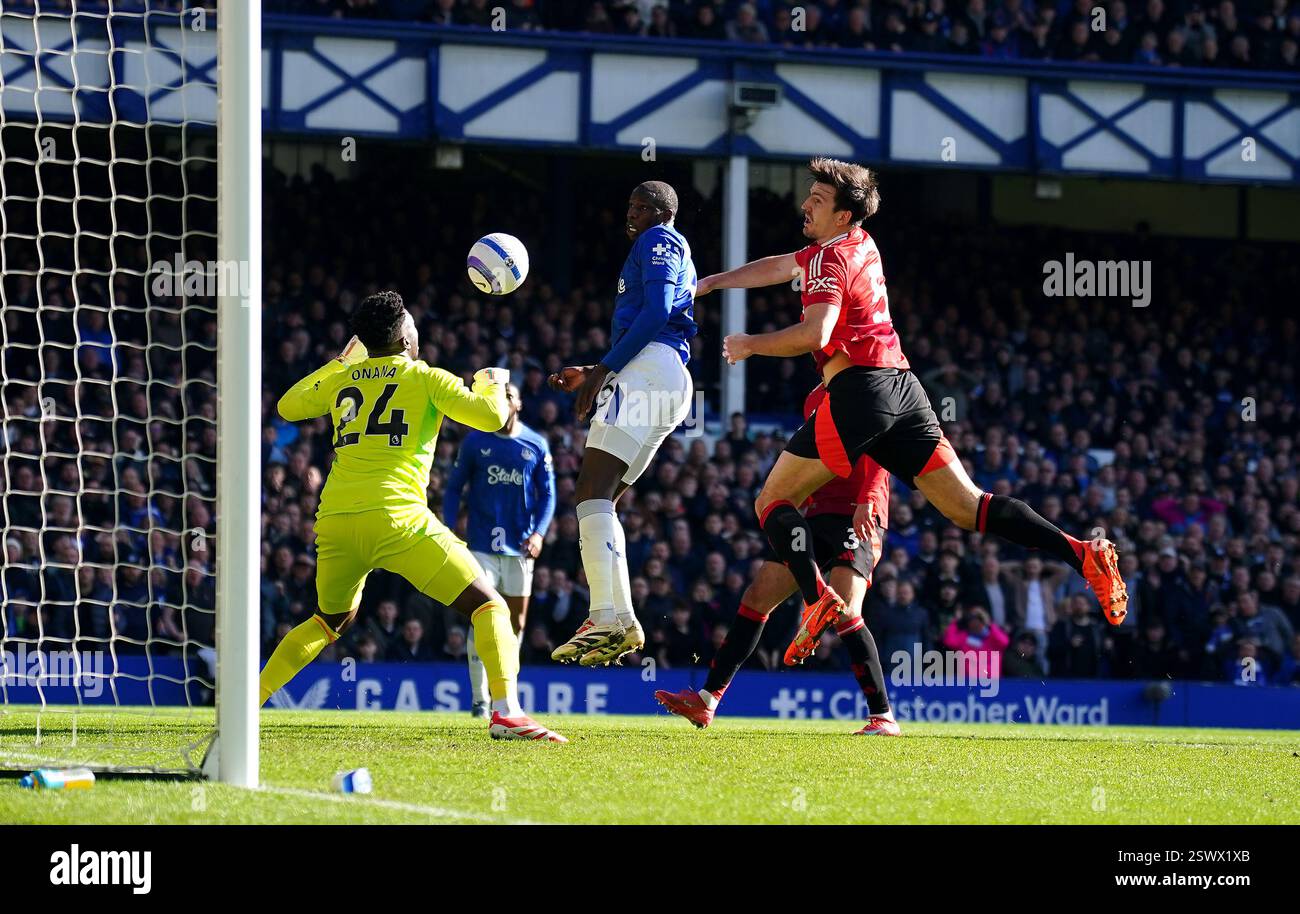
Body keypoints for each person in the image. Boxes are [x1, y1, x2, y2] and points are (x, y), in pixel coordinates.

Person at [695, 157, 1128, 666]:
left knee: (770, 501)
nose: (805, 204)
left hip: (859, 392)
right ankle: (1082, 551)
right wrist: (713, 282)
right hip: (904, 388)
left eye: (817, 199)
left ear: (842, 215)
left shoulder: (827, 261)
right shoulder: (859, 243)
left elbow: (815, 333)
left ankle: (816, 602)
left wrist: (749, 344)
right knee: (969, 507)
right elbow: (782, 265)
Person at [258, 291, 566, 742]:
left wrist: (341, 362)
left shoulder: (345, 380)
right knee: (488, 605)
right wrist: (492, 380)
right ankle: (506, 712)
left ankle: (247, 702)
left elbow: (288, 405)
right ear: (405, 336)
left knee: (328, 621)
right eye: (413, 324)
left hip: (336, 521)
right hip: (398, 519)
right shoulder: (425, 378)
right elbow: (491, 415)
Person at [655, 385, 900, 736]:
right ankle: (707, 700)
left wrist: (870, 498)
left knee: (847, 611)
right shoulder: (814, 397)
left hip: (859, 511)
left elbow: (882, 446)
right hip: (816, 513)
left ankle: (883, 717)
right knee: (757, 598)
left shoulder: (871, 385)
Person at [547, 181, 698, 666]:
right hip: (664, 377)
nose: (630, 213)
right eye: (629, 204)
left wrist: (605, 370)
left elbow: (656, 311)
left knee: (590, 490)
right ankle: (620, 618)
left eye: (640, 206)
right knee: (603, 498)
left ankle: (606, 616)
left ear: (661, 211)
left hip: (648, 372)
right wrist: (598, 369)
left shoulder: (657, 241)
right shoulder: (667, 247)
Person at [444, 382, 556, 719]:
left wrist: (538, 534)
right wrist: (450, 526)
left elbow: (548, 495)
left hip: (519, 547)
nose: (503, 402)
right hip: (480, 545)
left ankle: (505, 696)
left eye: (509, 396)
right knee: (483, 616)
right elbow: (453, 488)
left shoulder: (535, 444)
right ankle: (481, 699)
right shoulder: (476, 441)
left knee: (516, 625)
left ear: (519, 403)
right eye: (498, 397)